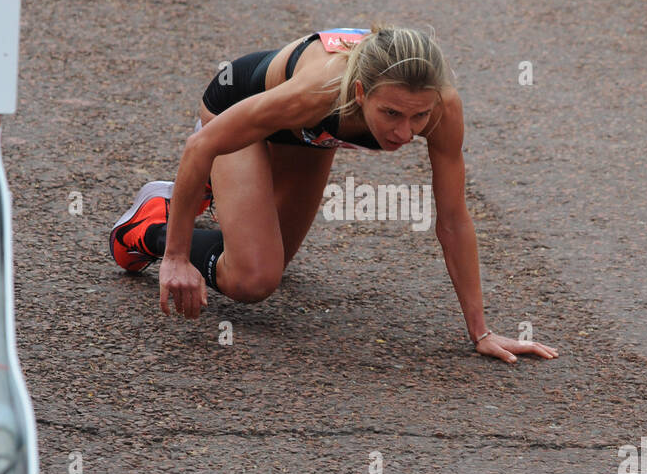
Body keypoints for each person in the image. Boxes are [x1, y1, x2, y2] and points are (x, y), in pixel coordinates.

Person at [109, 24, 558, 365]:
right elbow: (200, 145)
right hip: (242, 106)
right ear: (360, 93)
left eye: (418, 117)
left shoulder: (442, 107)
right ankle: (149, 226)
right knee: (252, 281)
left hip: (310, 136)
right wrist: (176, 257)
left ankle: (215, 194)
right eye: (391, 114)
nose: (405, 132)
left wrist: (481, 332)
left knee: (273, 265)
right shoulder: (317, 92)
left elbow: (453, 219)